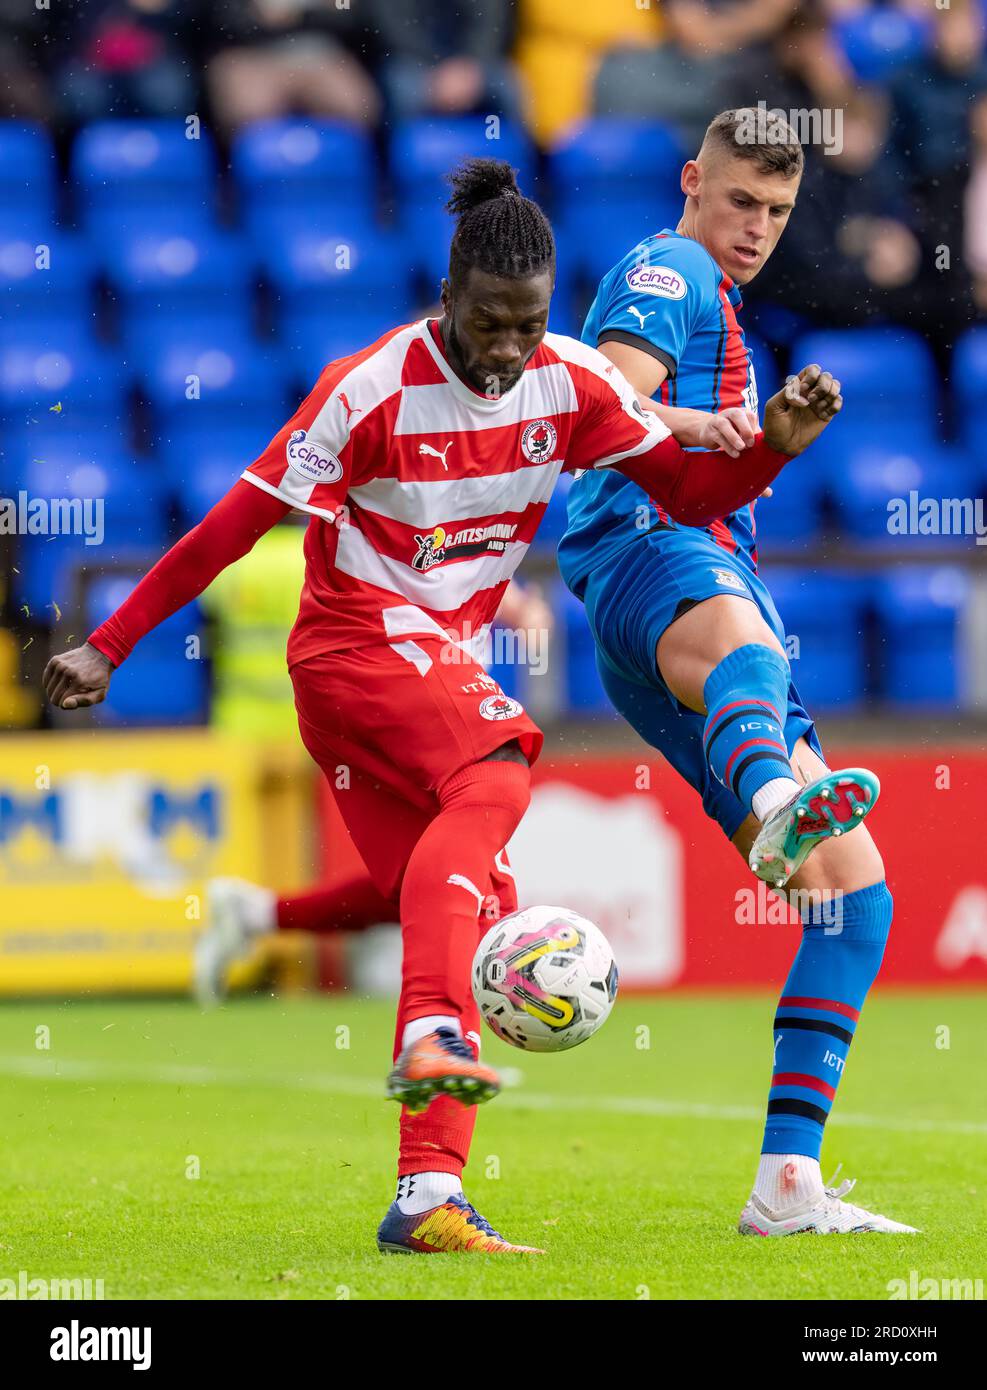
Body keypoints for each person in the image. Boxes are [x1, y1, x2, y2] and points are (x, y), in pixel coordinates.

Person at [44, 157, 836, 1255]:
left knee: (476, 910)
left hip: (420, 657)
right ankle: (425, 1031)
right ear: (448, 294)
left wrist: (774, 451)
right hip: (353, 646)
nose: (507, 353)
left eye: (527, 325)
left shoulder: (572, 380)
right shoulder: (367, 387)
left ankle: (427, 1198)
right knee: (503, 761)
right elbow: (233, 523)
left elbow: (696, 495)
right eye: (487, 325)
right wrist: (110, 643)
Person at [558, 108, 917, 1237]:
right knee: (753, 658)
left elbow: (699, 465)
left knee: (856, 898)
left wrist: (767, 442)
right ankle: (774, 798)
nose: (755, 228)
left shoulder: (720, 302)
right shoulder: (669, 266)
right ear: (692, 183)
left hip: (674, 584)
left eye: (776, 209)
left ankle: (787, 1186)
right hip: (647, 555)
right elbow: (602, 408)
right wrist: (715, 428)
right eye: (740, 202)